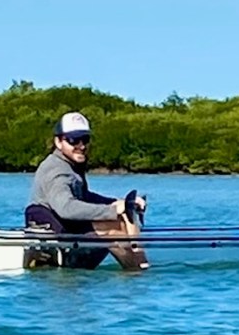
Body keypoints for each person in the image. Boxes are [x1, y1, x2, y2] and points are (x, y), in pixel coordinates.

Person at [25, 112, 149, 269]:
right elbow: (66, 208)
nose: (81, 146)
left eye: (85, 139)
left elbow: (83, 196)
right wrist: (111, 210)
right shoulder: (57, 171)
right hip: (57, 237)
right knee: (114, 227)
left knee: (121, 217)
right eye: (73, 140)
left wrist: (120, 203)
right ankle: (139, 272)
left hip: (67, 229)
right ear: (58, 142)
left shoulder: (70, 166)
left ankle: (139, 267)